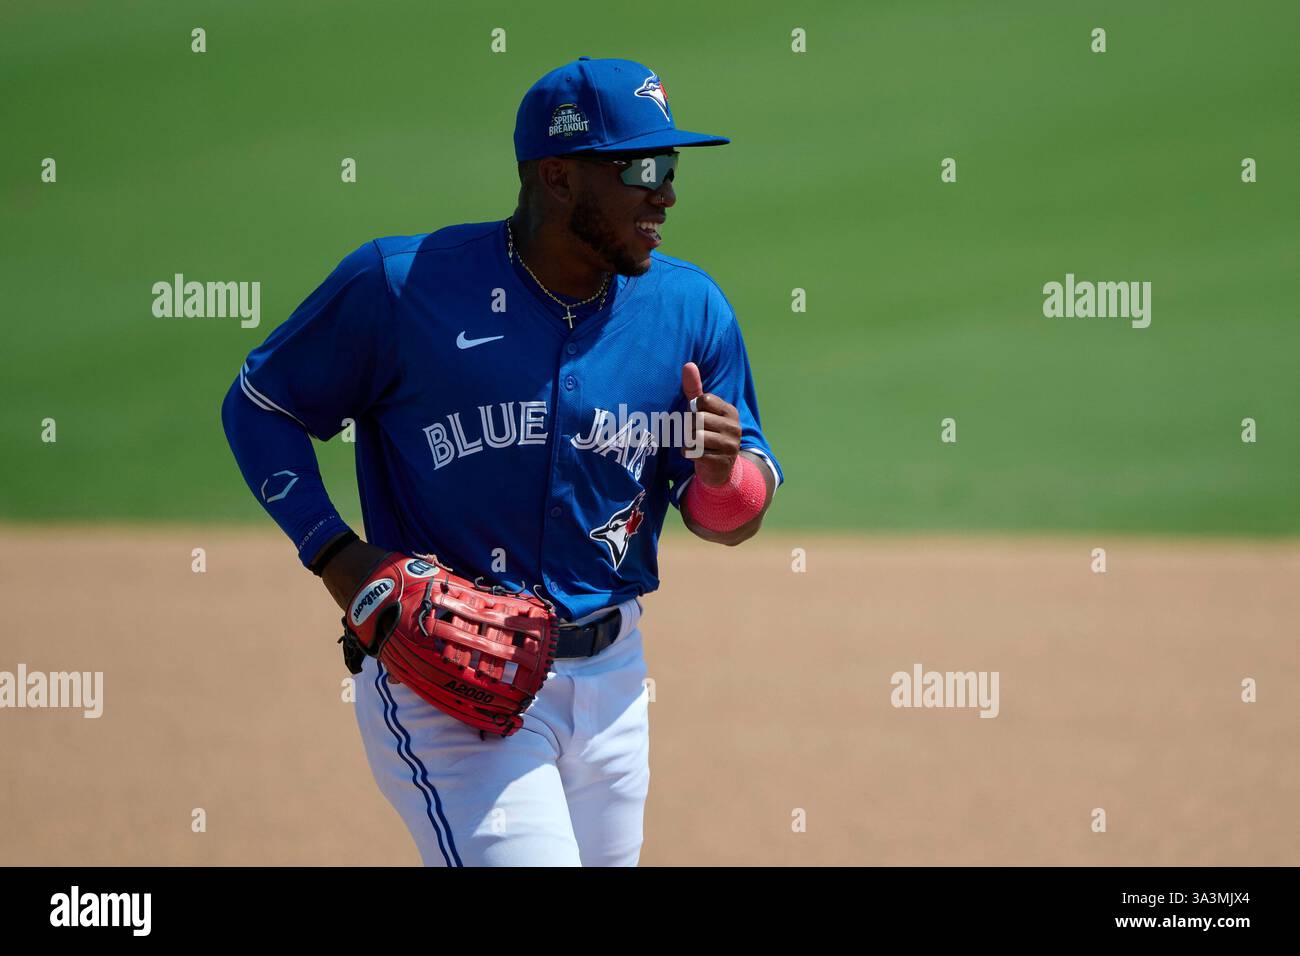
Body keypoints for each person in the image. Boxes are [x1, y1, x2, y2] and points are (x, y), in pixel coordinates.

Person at [220, 56, 783, 866]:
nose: (666, 191)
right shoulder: (403, 288)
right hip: (452, 684)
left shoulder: (690, 310)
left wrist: (720, 475)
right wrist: (337, 556)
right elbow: (262, 403)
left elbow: (730, 520)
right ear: (558, 176)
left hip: (616, 687)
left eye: (673, 167)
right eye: (642, 167)